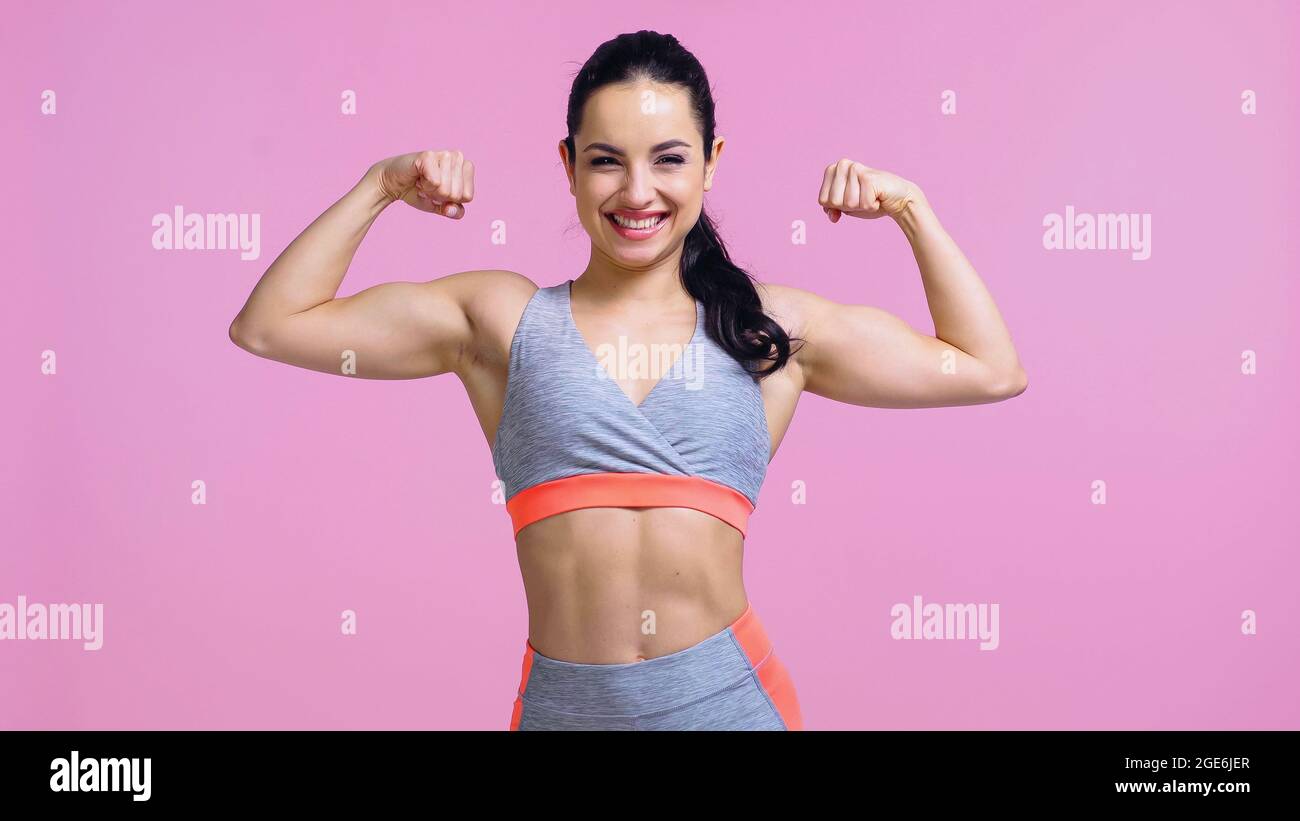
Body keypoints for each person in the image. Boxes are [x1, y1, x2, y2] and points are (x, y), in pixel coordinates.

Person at [228, 30, 1027, 731]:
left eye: (668, 159)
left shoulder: (766, 330)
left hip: (732, 708)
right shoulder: (501, 321)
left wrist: (912, 209)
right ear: (569, 165)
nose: (637, 192)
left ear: (712, 164)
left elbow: (989, 368)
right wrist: (381, 188)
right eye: (606, 161)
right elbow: (271, 325)